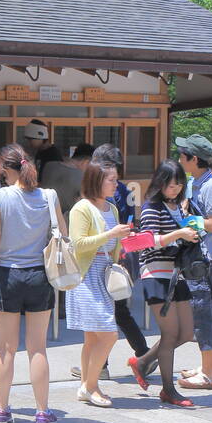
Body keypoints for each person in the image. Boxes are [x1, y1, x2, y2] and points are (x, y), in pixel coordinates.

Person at [0, 144, 65, 423]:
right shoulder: (48, 196)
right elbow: (62, 236)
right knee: (38, 348)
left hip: (8, 276)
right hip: (39, 275)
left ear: (6, 169)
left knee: (5, 348)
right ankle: (42, 412)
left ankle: (2, 411)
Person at [127, 160, 202, 407]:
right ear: (160, 183)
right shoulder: (151, 207)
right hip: (155, 274)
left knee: (186, 333)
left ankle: (142, 361)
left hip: (176, 274)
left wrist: (190, 232)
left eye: (179, 184)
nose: (175, 189)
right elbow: (147, 242)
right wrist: (179, 234)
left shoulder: (178, 207)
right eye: (170, 185)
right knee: (170, 334)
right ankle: (168, 389)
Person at [78, 143, 149, 378]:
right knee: (117, 311)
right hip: (123, 257)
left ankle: (104, 366)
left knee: (107, 316)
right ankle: (142, 353)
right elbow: (133, 223)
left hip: (107, 259)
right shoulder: (127, 192)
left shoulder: (100, 196)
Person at [68, 161, 134, 407]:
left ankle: (86, 386)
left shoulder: (112, 208)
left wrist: (123, 239)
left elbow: (112, 243)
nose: (116, 184)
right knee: (108, 334)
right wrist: (111, 234)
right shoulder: (81, 208)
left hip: (104, 272)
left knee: (93, 338)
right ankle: (91, 386)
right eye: (112, 180)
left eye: (116, 179)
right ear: (97, 180)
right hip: (86, 275)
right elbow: (78, 244)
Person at [175, 135, 212, 390]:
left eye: (182, 155)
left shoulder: (210, 187)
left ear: (194, 159)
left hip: (206, 260)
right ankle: (210, 367)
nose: (179, 159)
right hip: (200, 258)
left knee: (204, 315)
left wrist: (186, 221)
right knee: (204, 313)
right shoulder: (198, 182)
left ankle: (208, 374)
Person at [40, 143, 84, 214]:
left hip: (44, 215)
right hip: (66, 219)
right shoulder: (80, 175)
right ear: (86, 162)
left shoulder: (49, 166)